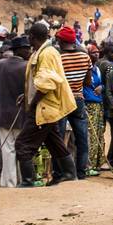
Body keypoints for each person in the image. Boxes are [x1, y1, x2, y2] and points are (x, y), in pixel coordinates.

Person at [14, 21, 77, 188]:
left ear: (32, 37)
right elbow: (38, 80)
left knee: (23, 144)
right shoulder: (41, 52)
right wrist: (26, 95)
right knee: (54, 142)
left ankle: (28, 181)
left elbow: (46, 83)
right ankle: (70, 174)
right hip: (46, 107)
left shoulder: (47, 53)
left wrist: (33, 101)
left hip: (43, 107)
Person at [56, 26, 92, 181]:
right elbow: (88, 81)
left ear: (60, 41)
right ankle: (81, 173)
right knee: (82, 139)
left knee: (58, 138)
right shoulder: (85, 57)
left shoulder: (57, 58)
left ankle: (60, 174)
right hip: (78, 99)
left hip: (62, 100)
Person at [0, 36, 30, 188]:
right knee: (22, 148)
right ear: (19, 50)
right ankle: (22, 179)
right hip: (22, 113)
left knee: (7, 150)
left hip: (3, 113)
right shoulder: (27, 66)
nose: (29, 50)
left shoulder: (0, 64)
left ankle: (8, 182)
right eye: (26, 48)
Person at [82, 46, 107, 176]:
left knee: (99, 132)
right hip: (88, 104)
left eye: (97, 52)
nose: (96, 55)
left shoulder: (97, 69)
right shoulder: (85, 68)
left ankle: (97, 163)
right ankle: (89, 164)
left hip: (98, 104)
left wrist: (101, 87)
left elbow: (102, 83)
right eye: (93, 53)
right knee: (90, 135)